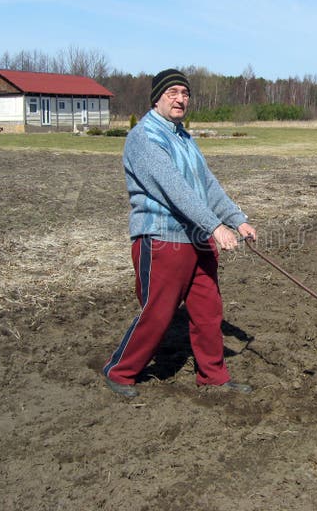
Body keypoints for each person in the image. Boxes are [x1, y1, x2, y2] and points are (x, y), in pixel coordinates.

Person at [103, 68, 256, 398]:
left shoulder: (183, 138)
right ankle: (120, 371)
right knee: (158, 314)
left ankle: (213, 378)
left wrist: (236, 218)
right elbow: (176, 190)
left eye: (185, 94)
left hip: (196, 240)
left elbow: (206, 186)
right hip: (162, 238)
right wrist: (215, 226)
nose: (180, 99)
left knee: (208, 311)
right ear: (156, 97)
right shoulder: (145, 137)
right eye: (172, 92)